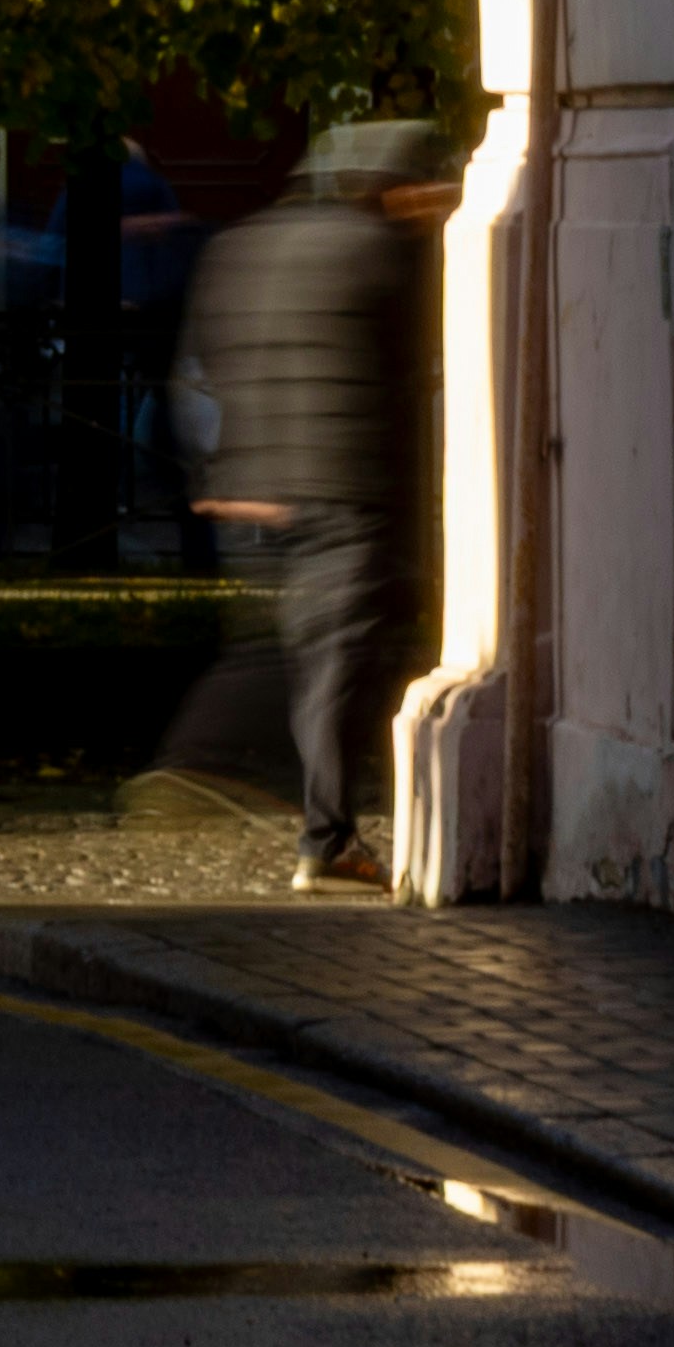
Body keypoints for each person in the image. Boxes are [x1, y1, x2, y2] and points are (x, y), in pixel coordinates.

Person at [181, 114, 453, 889]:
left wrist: (231, 473)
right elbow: (417, 363)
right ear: (393, 188)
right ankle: (322, 837)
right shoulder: (383, 253)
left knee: (309, 653)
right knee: (342, 660)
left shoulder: (246, 245)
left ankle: (297, 809)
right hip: (351, 486)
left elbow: (213, 360)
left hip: (263, 490)